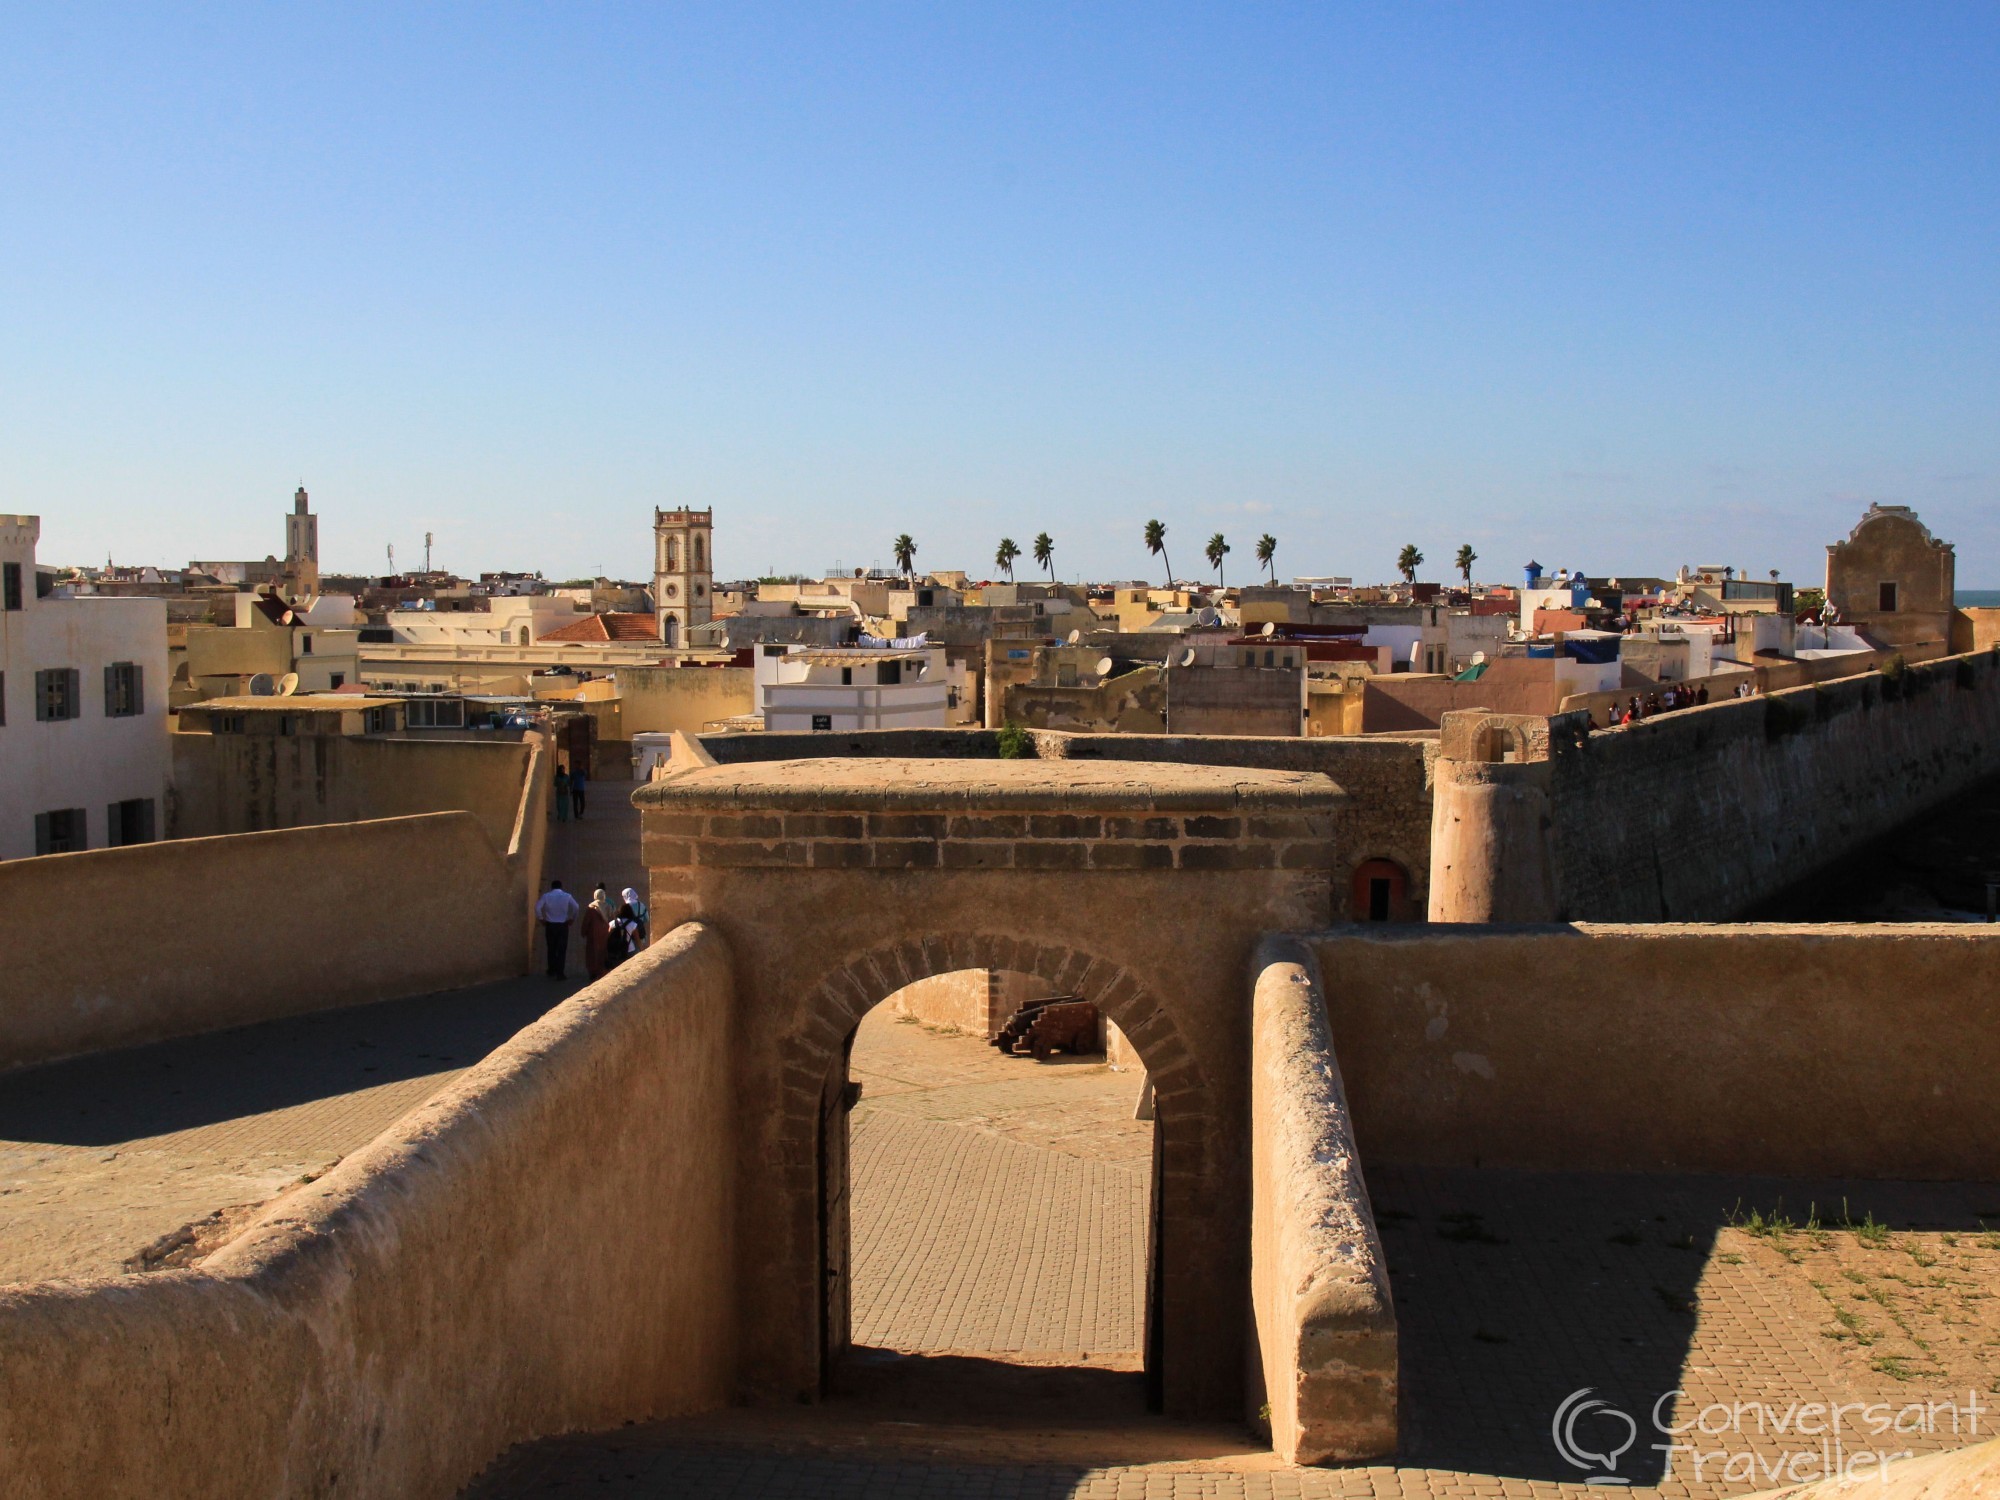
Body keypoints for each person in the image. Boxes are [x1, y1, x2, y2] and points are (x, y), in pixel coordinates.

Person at [535, 879, 580, 979]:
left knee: (551, 948)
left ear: (552, 887)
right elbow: (576, 907)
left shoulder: (546, 896)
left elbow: (538, 907)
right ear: (561, 887)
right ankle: (560, 973)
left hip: (550, 925)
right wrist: (572, 918)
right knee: (562, 949)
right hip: (563, 925)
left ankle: (551, 969)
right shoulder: (567, 896)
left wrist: (541, 919)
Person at [583, 883, 614, 979]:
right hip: (604, 932)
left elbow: (586, 921)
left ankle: (593, 971)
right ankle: (601, 971)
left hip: (593, 933)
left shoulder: (591, 907)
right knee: (602, 951)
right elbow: (612, 918)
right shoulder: (608, 906)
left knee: (592, 952)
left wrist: (583, 931)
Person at [620, 887, 650, 951]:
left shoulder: (625, 907)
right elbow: (647, 919)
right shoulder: (641, 905)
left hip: (628, 934)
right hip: (640, 933)